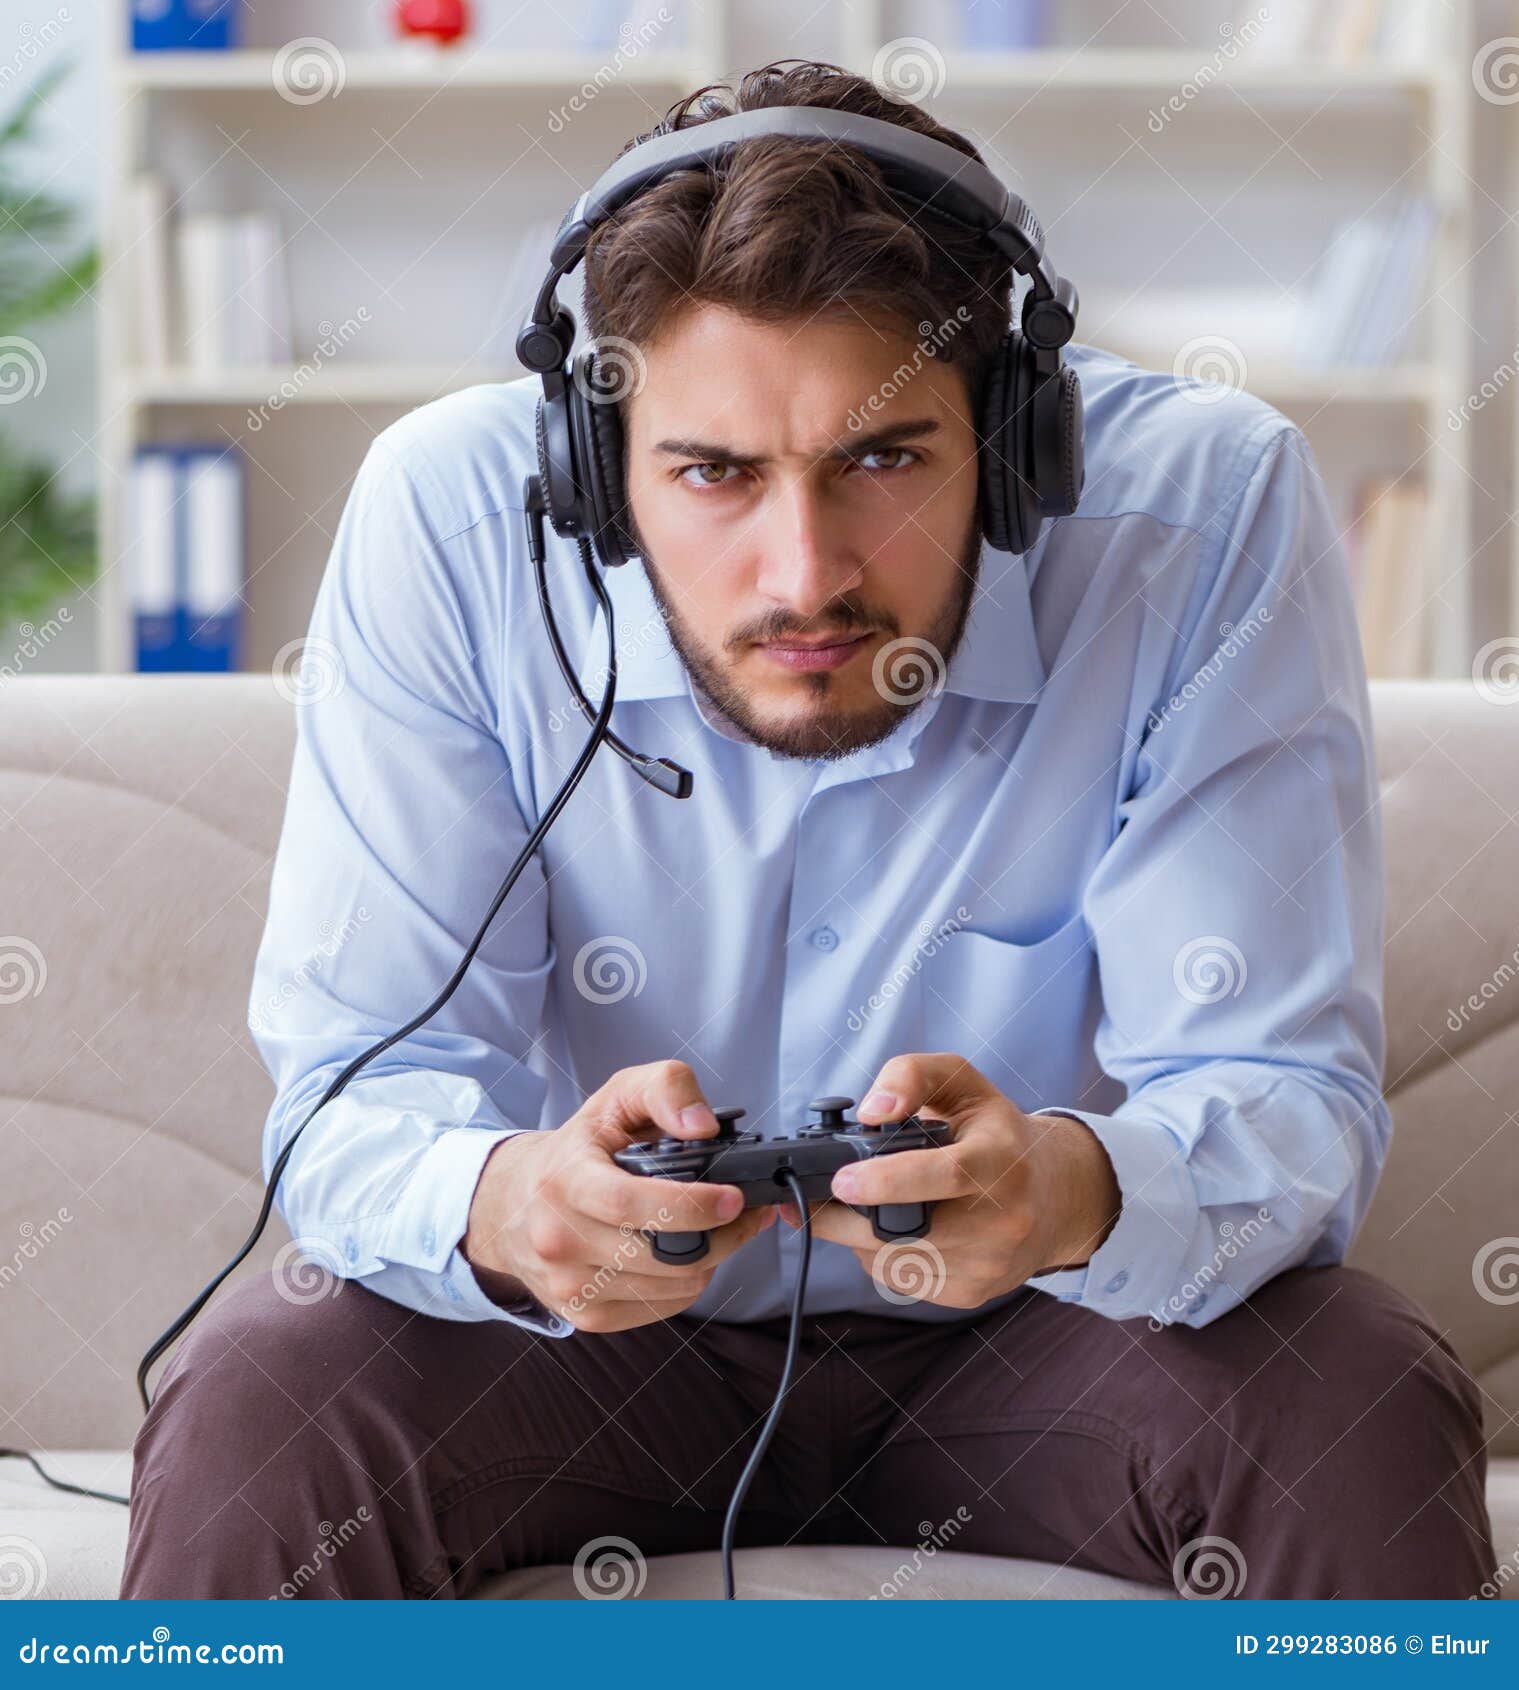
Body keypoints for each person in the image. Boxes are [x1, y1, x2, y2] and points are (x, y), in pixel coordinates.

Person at [122, 60, 1493, 1601]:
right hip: (584, 1351)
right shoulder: (448, 526)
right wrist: (513, 1199)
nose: (804, 575)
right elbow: (354, 1087)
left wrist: (1069, 1184)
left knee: (1352, 1389)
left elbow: (1283, 1095)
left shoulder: (1205, 516)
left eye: (885, 459)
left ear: (1017, 439)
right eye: (713, 473)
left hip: (1055, 1328)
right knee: (263, 1396)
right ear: (594, 468)